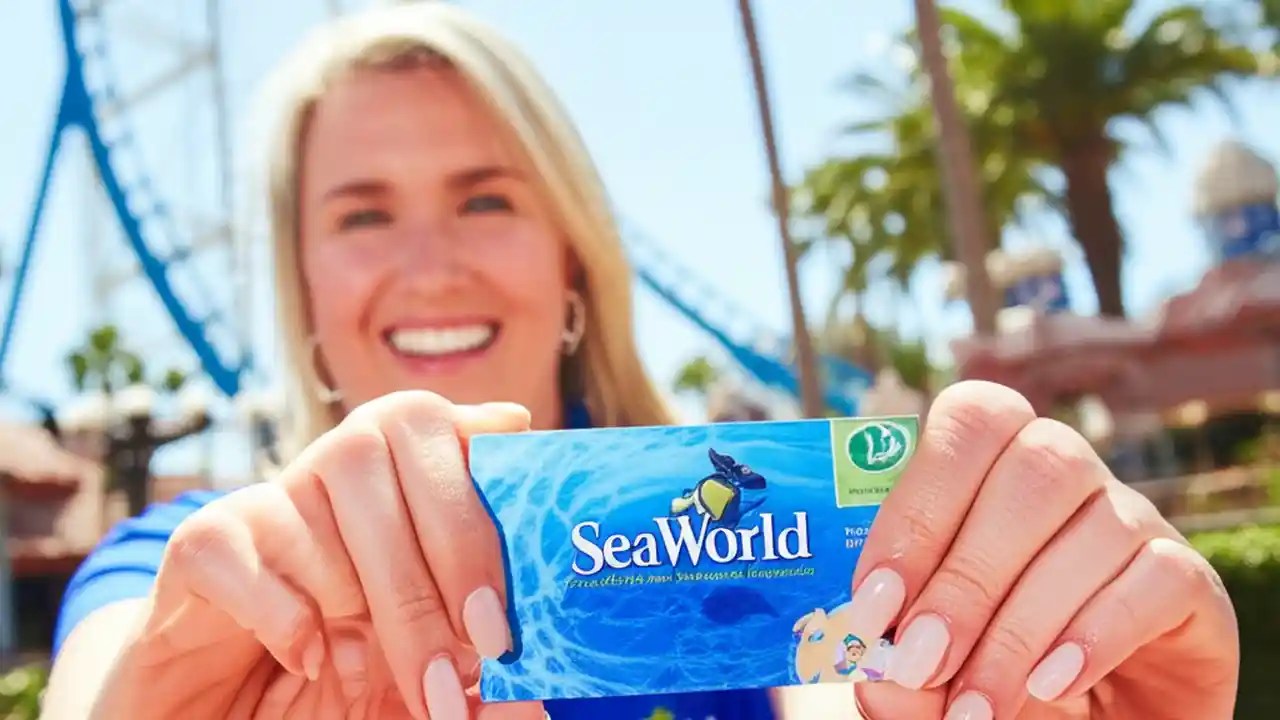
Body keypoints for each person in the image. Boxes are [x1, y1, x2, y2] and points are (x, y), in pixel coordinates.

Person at [42, 3, 1239, 719]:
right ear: (300, 281)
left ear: (573, 261)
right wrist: (162, 692)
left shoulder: (770, 547)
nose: (430, 265)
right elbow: (100, 686)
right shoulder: (188, 576)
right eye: (361, 215)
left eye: (485, 198)